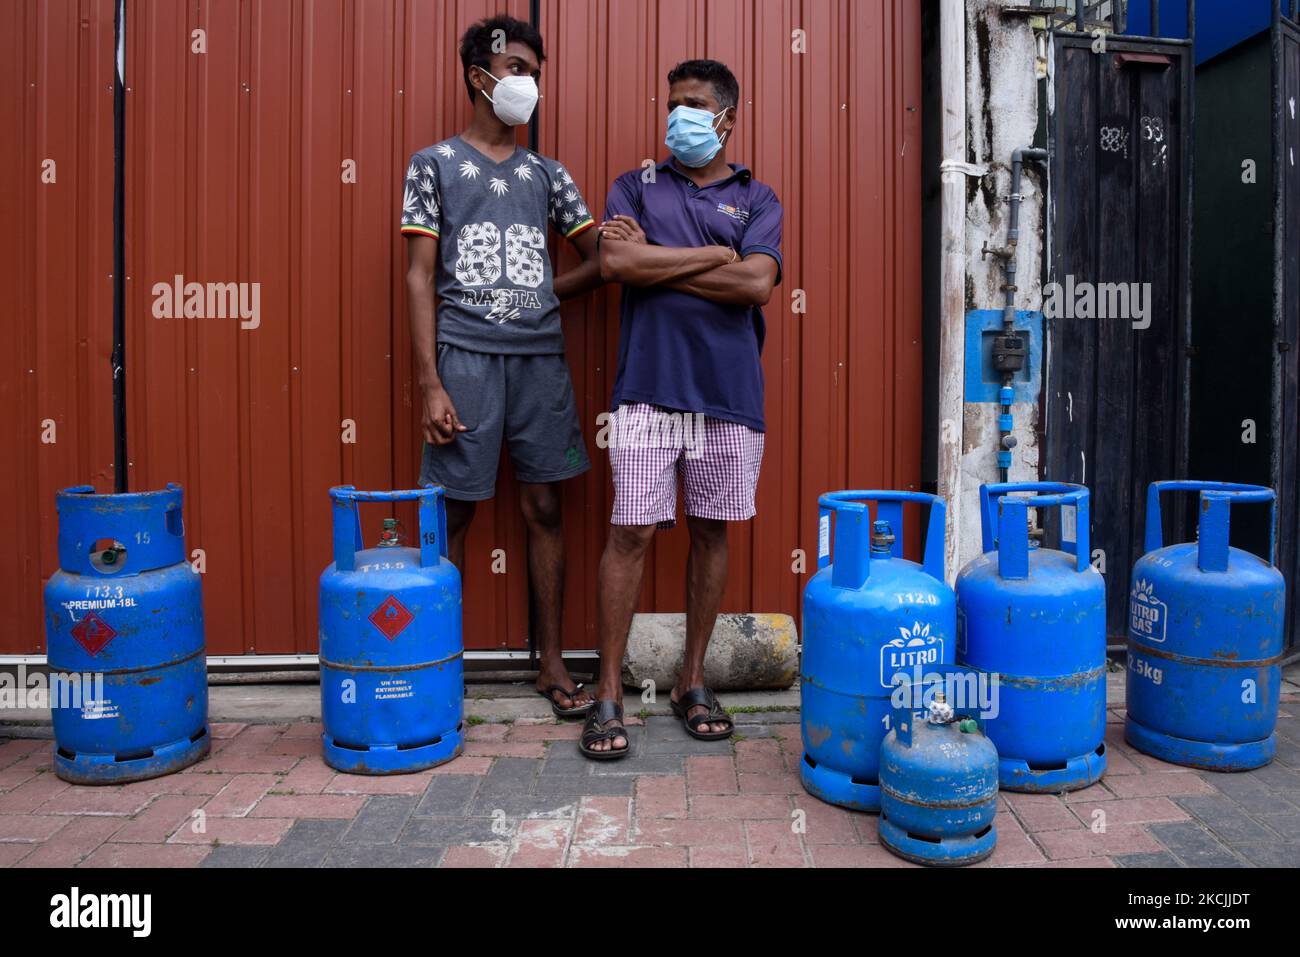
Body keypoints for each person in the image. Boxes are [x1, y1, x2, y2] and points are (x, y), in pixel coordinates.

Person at [580, 59, 783, 759]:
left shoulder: (759, 197)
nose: (679, 117)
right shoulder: (635, 185)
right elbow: (617, 267)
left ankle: (691, 680)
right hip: (647, 390)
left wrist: (662, 259)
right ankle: (608, 691)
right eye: (672, 104)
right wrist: (708, 256)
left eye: (694, 104)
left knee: (711, 533)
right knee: (629, 533)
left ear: (728, 117)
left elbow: (757, 283)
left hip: (728, 397)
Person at [401, 15, 602, 718]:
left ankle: (549, 662)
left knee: (545, 504)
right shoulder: (432, 165)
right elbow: (420, 276)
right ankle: (437, 662)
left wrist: (549, 290)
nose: (527, 82)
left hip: (540, 360)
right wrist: (429, 382)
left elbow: (599, 256)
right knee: (451, 510)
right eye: (515, 67)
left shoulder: (548, 174)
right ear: (477, 75)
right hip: (464, 359)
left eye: (535, 72)